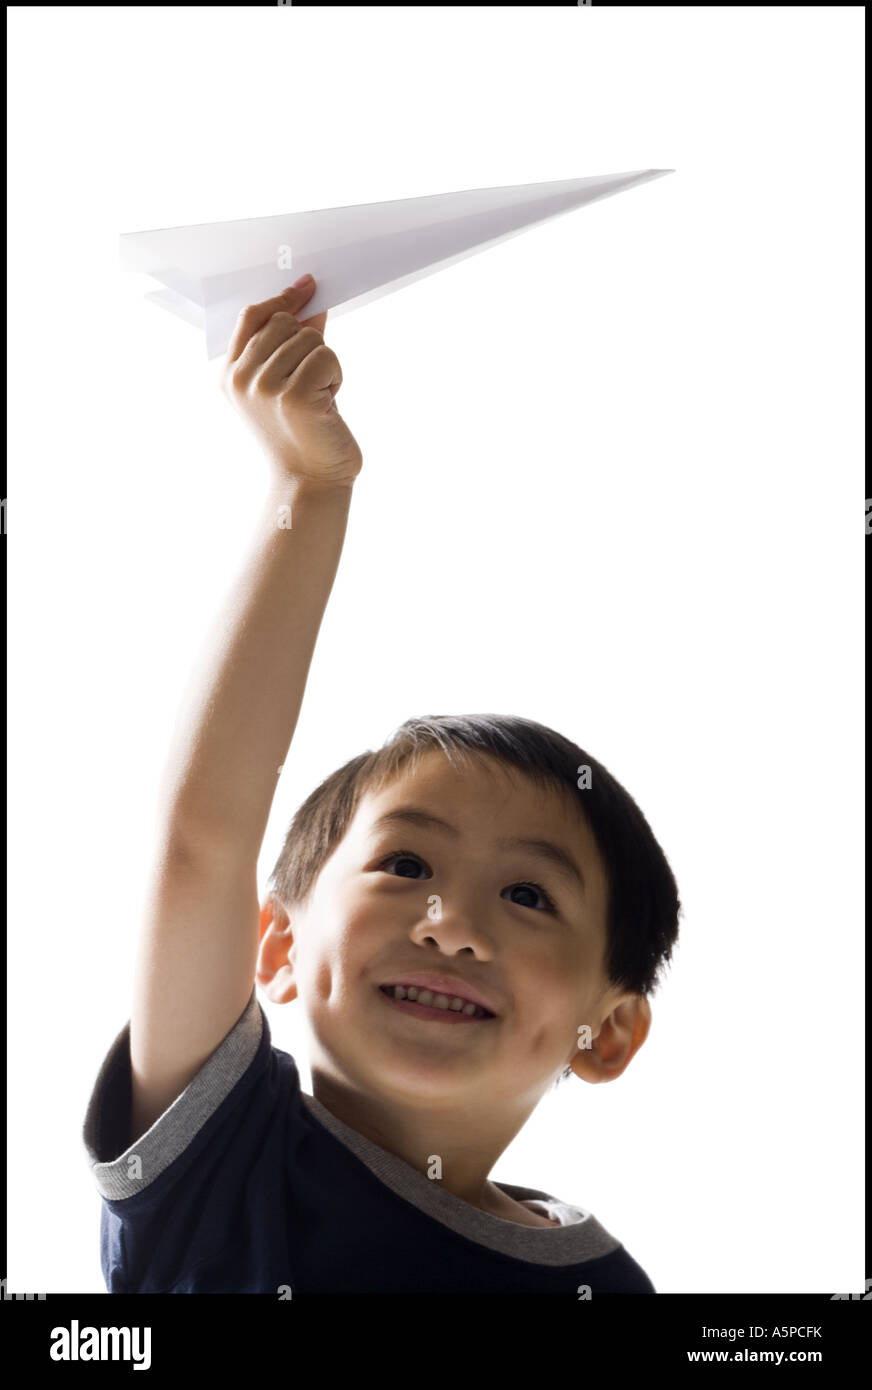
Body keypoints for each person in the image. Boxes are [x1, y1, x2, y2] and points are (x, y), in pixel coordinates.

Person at [82, 275, 680, 1293]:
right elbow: (202, 846)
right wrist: (310, 488)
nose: (450, 925)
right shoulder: (221, 1159)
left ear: (607, 1030)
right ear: (273, 944)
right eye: (404, 864)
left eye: (527, 895)